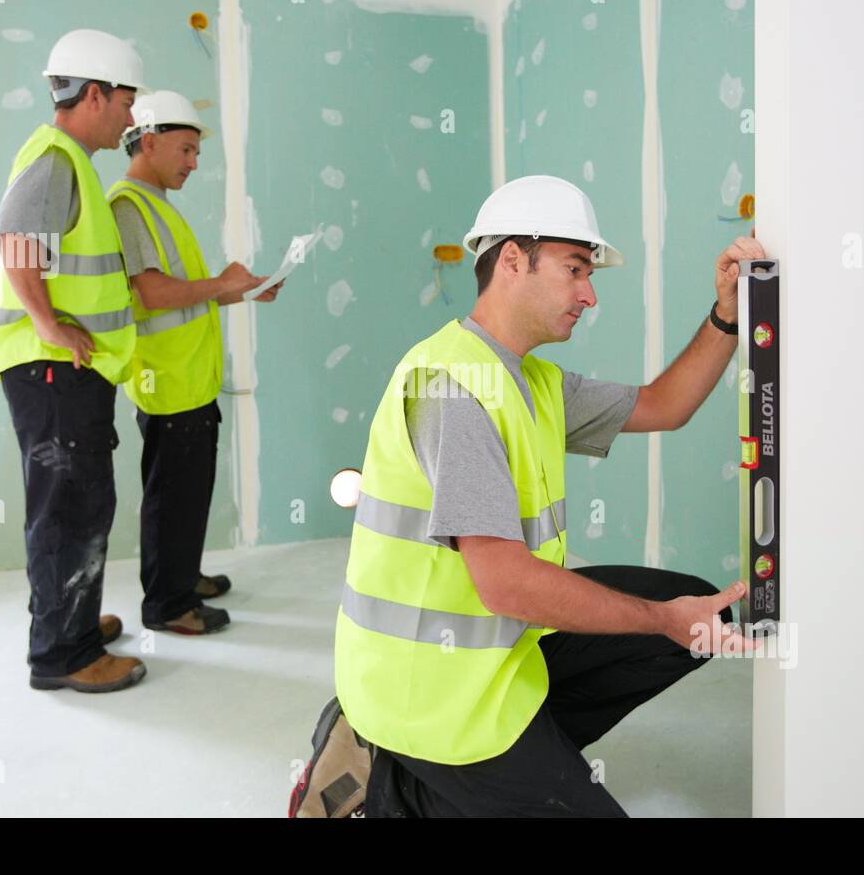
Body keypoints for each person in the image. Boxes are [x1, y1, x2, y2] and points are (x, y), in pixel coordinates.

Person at [292, 174, 762, 817]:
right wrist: (663, 619)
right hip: (427, 696)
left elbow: (666, 405)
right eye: (575, 270)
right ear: (513, 258)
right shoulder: (451, 387)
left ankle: (491, 781)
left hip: (495, 653)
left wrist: (727, 315)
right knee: (667, 621)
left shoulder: (532, 380)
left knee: (692, 617)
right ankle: (395, 790)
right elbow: (507, 585)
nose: (589, 294)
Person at [0, 28, 147, 693]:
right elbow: (18, 243)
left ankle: (70, 622)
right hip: (50, 368)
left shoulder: (68, 161)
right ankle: (62, 656)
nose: (131, 118)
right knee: (68, 506)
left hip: (64, 371)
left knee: (80, 500)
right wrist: (50, 325)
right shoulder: (54, 158)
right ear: (95, 94)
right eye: (126, 102)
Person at [107, 90, 282, 635]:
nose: (193, 163)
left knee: (188, 492)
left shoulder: (156, 205)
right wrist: (222, 285)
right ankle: (167, 604)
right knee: (171, 497)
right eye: (185, 150)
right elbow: (154, 294)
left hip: (188, 379)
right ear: (150, 142)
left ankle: (182, 575)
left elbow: (187, 293)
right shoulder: (128, 206)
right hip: (167, 382)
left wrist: (243, 290)